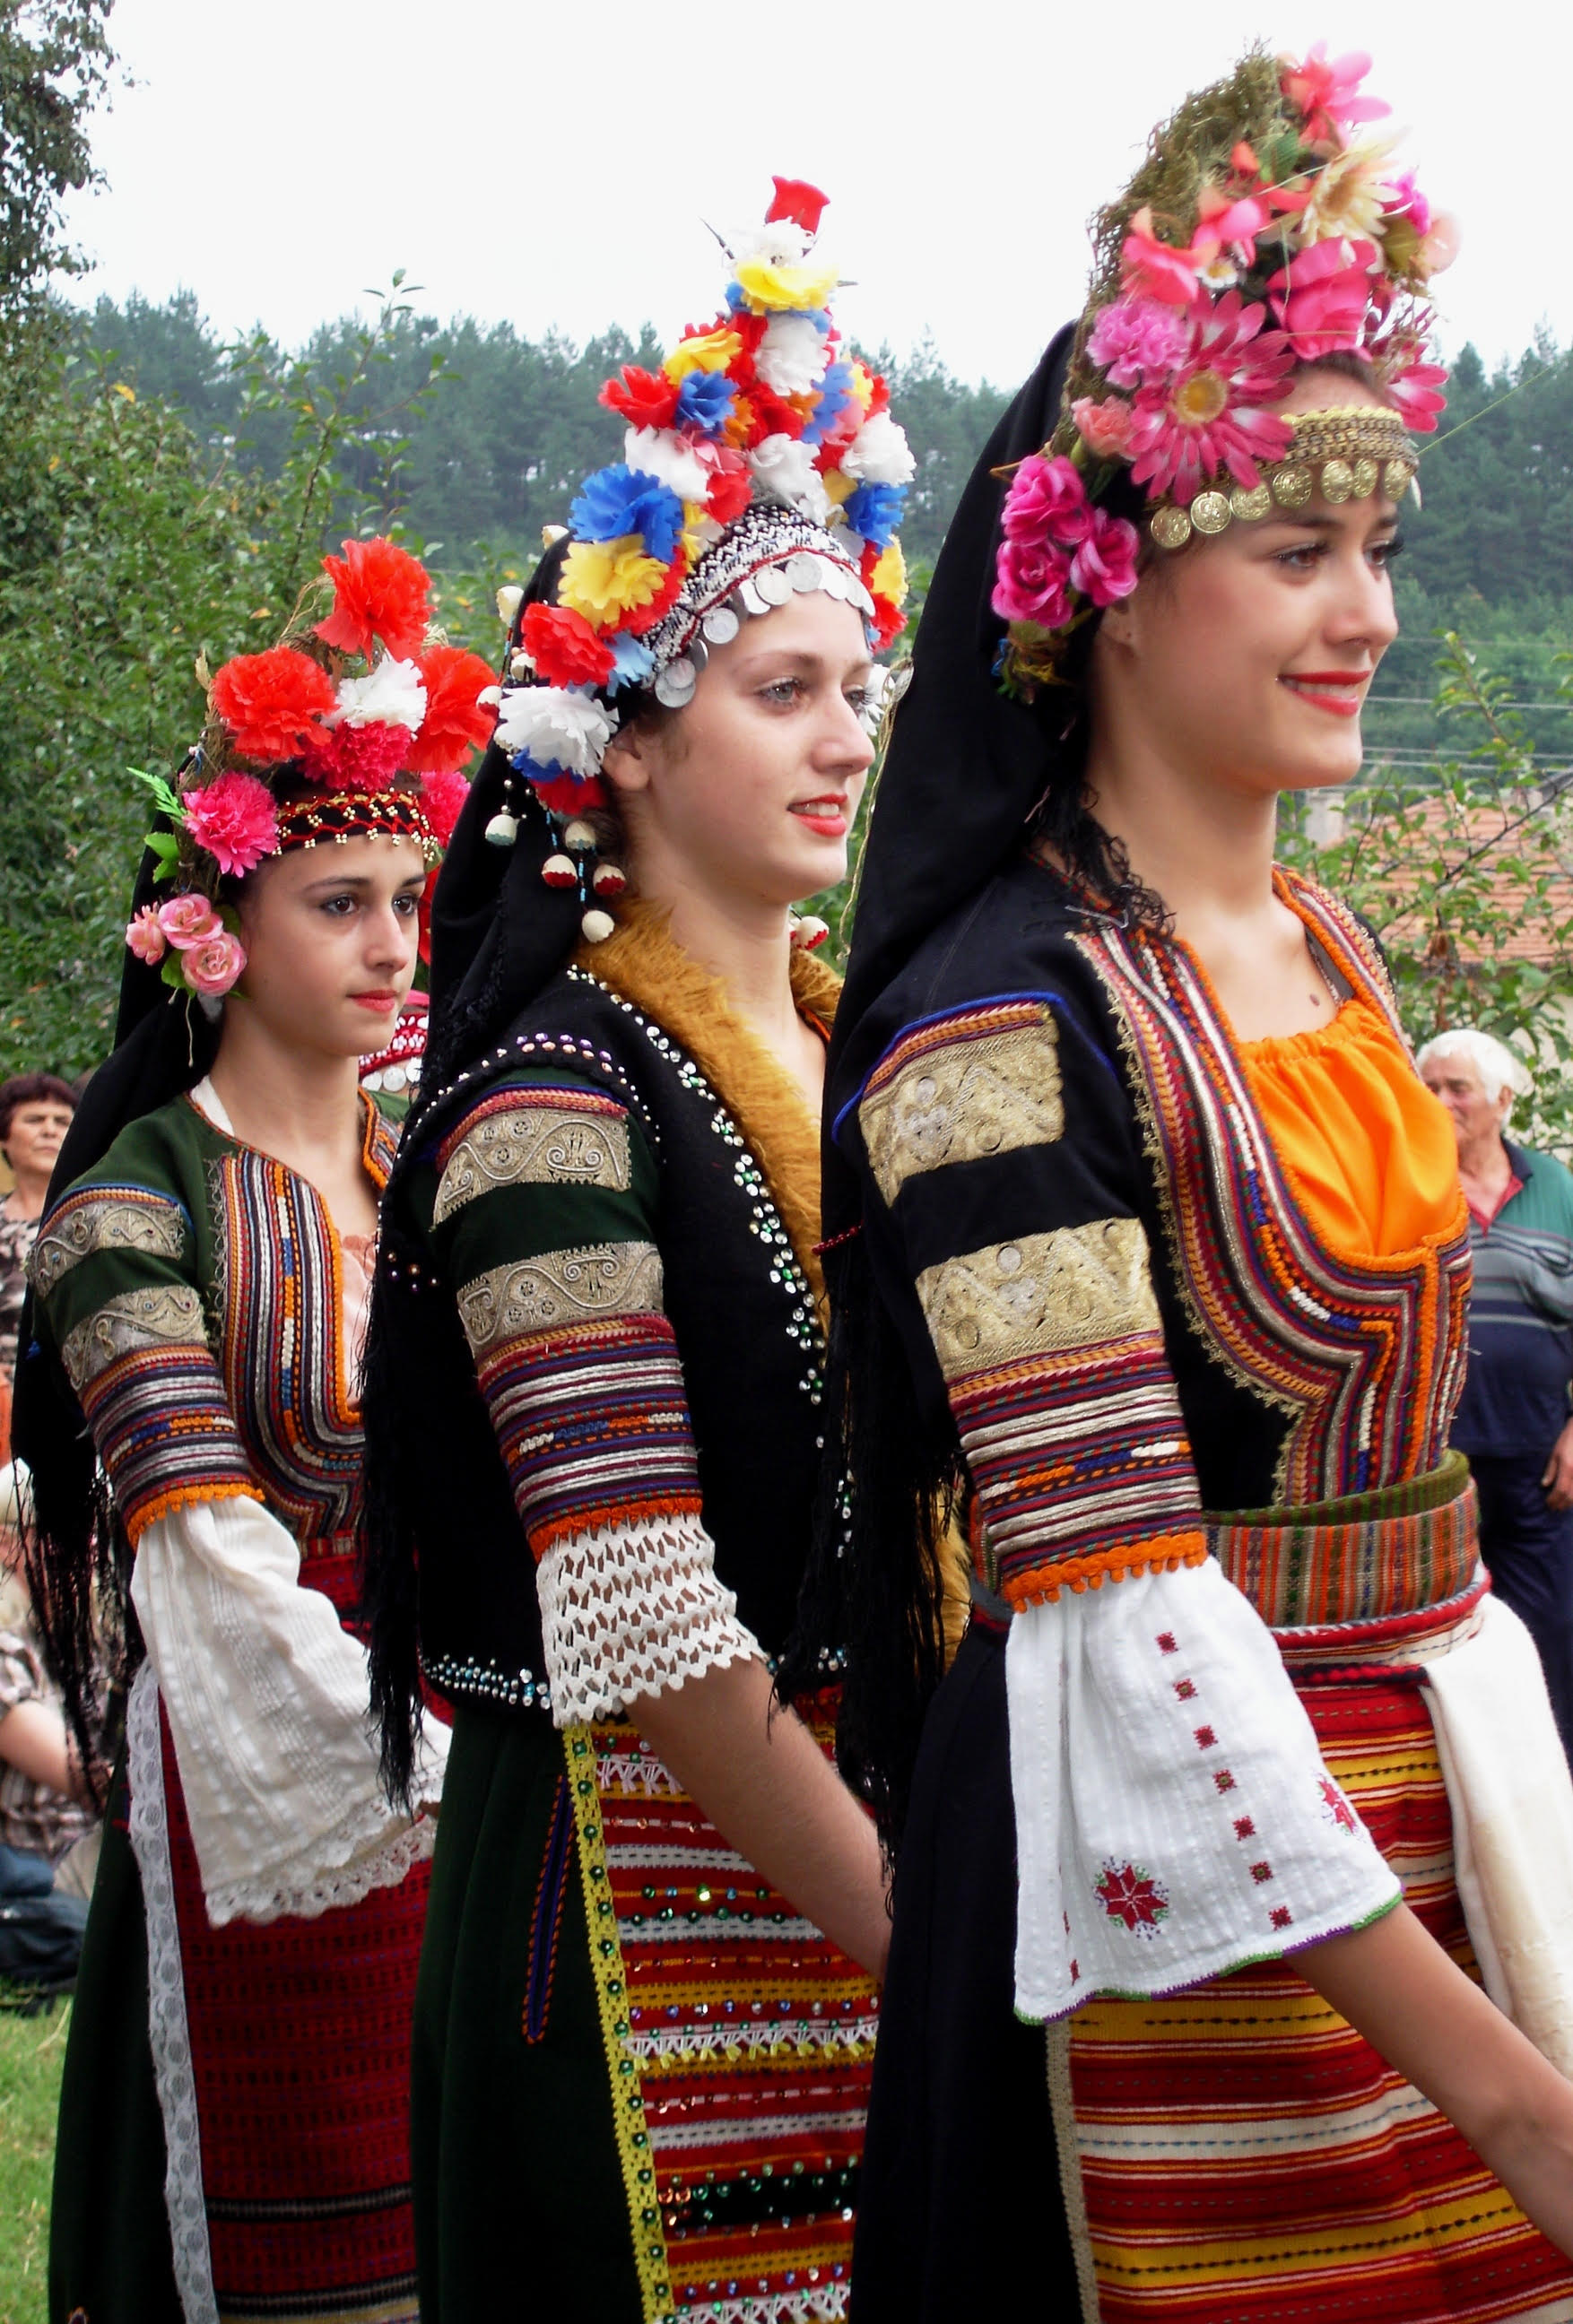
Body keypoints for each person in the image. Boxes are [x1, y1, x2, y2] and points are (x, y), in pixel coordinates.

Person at [786, 49, 1573, 2321]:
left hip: (1435, 1829)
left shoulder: (1321, 950)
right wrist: (1512, 2097)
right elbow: (1123, 1599)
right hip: (1168, 1897)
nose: (1367, 617)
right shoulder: (987, 1032)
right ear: (1109, 589)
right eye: (1290, 551)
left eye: (1378, 553)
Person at [361, 178, 907, 2322]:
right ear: (638, 740)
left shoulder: (862, 1053)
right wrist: (928, 1933)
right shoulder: (550, 1110)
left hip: (866, 1859)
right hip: (621, 1903)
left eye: (859, 683)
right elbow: (640, 1622)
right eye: (785, 690)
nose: (849, 740)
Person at [13, 540, 493, 2323]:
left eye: (406, 898)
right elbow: (206, 1556)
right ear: (216, 937)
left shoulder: (428, 1165)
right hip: (260, 1783)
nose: (389, 945)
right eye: (339, 903)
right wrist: (444, 1775)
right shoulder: (131, 1215)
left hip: (472, 1762)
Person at [1421, 1026, 1573, 1758]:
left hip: (1541, 1461)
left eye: (1457, 1088)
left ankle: (1553, 1781)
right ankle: (1469, 1789)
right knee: (1448, 1637)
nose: (1440, 1102)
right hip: (1434, 1461)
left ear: (1502, 1099)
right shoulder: (1411, 1183)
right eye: (1429, 1088)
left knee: (1551, 1633)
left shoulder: (1557, 1186)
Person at [0, 1072, 75, 1463]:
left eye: (62, 1122)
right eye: (34, 1120)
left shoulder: (91, 1220)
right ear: (4, 1136)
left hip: (78, 1423)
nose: (50, 1131)